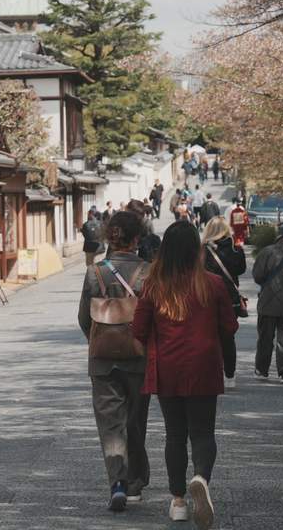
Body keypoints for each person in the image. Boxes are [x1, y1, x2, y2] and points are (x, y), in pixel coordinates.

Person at [132, 221, 238, 529]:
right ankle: (200, 478)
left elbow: (138, 330)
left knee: (175, 435)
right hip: (203, 366)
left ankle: (178, 501)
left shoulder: (154, 285)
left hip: (167, 368)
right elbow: (229, 328)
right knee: (203, 433)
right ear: (196, 249)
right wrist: (228, 365)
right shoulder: (213, 284)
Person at [78, 211, 152, 512]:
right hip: (138, 358)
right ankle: (135, 481)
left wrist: (100, 339)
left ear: (111, 237)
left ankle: (117, 483)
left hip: (103, 361)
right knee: (135, 421)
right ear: (137, 239)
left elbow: (84, 318)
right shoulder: (149, 271)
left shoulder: (94, 273)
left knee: (111, 425)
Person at [201, 216, 246, 389]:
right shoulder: (235, 249)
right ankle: (230, 375)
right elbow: (241, 269)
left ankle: (210, 372)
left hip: (207, 298)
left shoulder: (202, 251)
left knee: (207, 336)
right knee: (228, 337)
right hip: (230, 299)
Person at [252, 222, 283, 383]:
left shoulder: (266, 252)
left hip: (267, 302)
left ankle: (262, 370)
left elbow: (257, 276)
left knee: (265, 338)